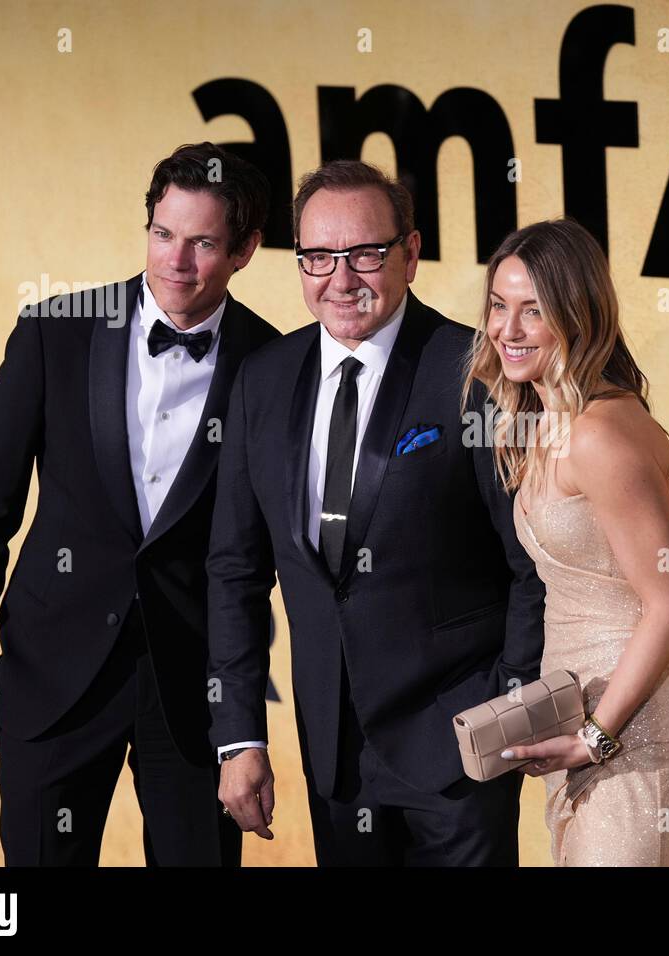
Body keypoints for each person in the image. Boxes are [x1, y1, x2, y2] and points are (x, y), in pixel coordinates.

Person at [0, 142, 279, 865]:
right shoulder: (54, 330)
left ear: (246, 249)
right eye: (162, 234)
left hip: (194, 690)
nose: (175, 262)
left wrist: (245, 725)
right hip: (50, 672)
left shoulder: (273, 364)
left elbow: (262, 557)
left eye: (203, 243)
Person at [207, 159, 545, 866]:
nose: (341, 278)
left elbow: (533, 565)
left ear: (411, 253)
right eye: (318, 257)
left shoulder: (478, 374)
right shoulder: (261, 381)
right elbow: (234, 571)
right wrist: (239, 737)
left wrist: (507, 711)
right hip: (333, 753)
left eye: (365, 253)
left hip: (461, 750)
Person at [464, 218, 669, 865]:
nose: (506, 330)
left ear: (578, 315)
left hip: (634, 736)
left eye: (532, 311)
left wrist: (596, 738)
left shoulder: (600, 433)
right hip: (579, 727)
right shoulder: (544, 420)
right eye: (498, 306)